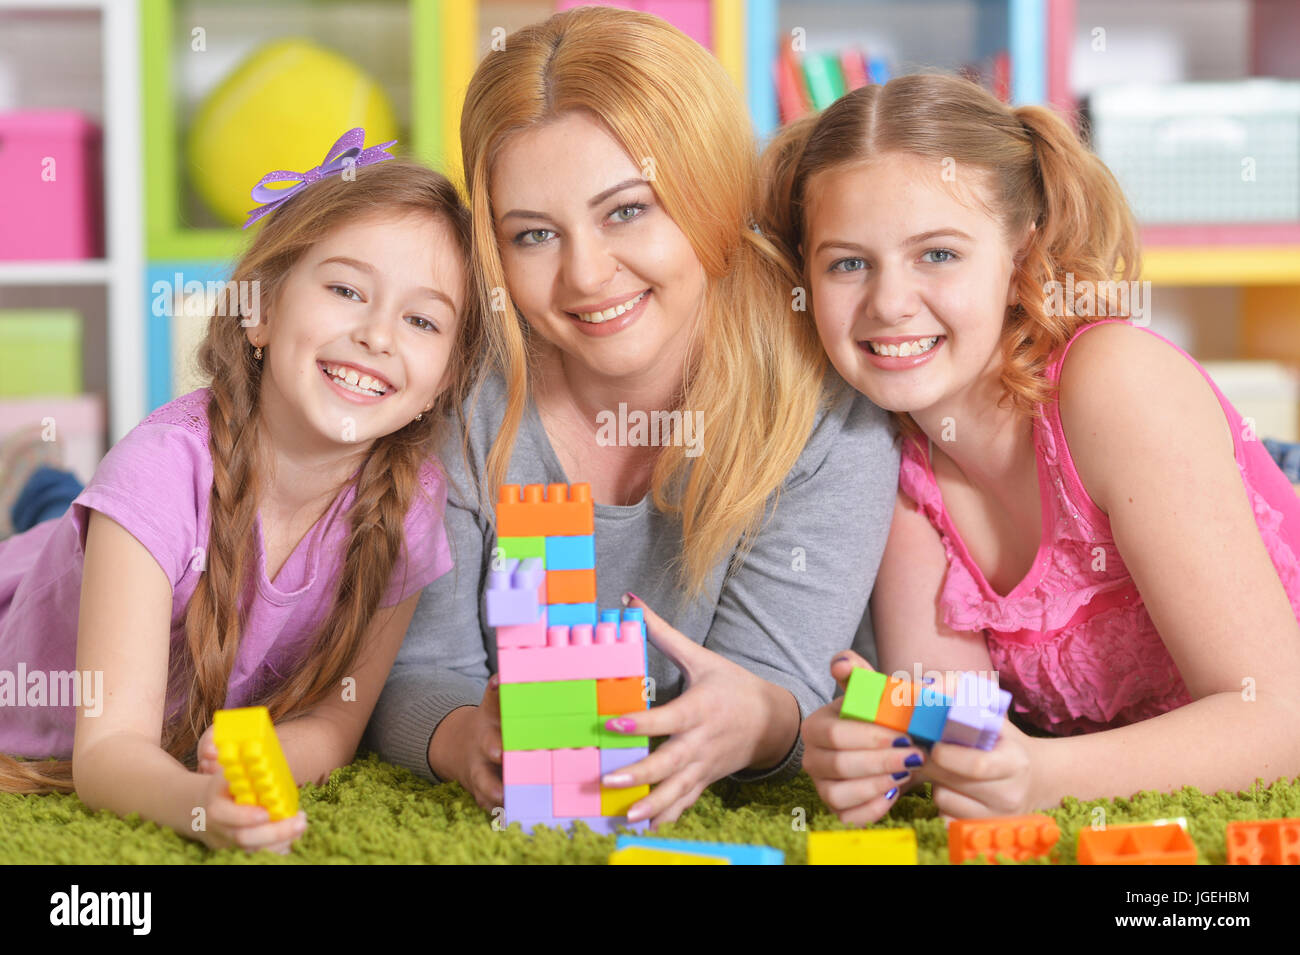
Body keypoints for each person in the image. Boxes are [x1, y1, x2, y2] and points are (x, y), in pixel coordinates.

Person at [364, 6, 900, 827]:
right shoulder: (462, 392)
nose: (586, 274)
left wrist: (753, 719)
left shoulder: (823, 409)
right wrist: (465, 733)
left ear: (710, 191)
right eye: (535, 234)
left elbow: (782, 691)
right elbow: (418, 669)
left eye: (626, 211)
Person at [764, 73, 1300, 823]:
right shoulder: (890, 458)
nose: (888, 303)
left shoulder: (1116, 385)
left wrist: (1043, 774)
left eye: (938, 254)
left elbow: (1279, 717)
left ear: (1023, 253)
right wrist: (879, 747)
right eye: (848, 262)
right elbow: (965, 736)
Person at [0, 139, 481, 851]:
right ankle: (38, 476)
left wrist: (255, 771)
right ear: (260, 313)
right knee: (61, 520)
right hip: (42, 621)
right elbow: (107, 752)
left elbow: (333, 726)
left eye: (422, 320)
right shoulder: (159, 471)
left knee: (66, 510)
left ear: (442, 382)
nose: (377, 334)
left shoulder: (410, 503)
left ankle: (45, 483)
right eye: (346, 289)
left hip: (128, 541)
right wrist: (198, 804)